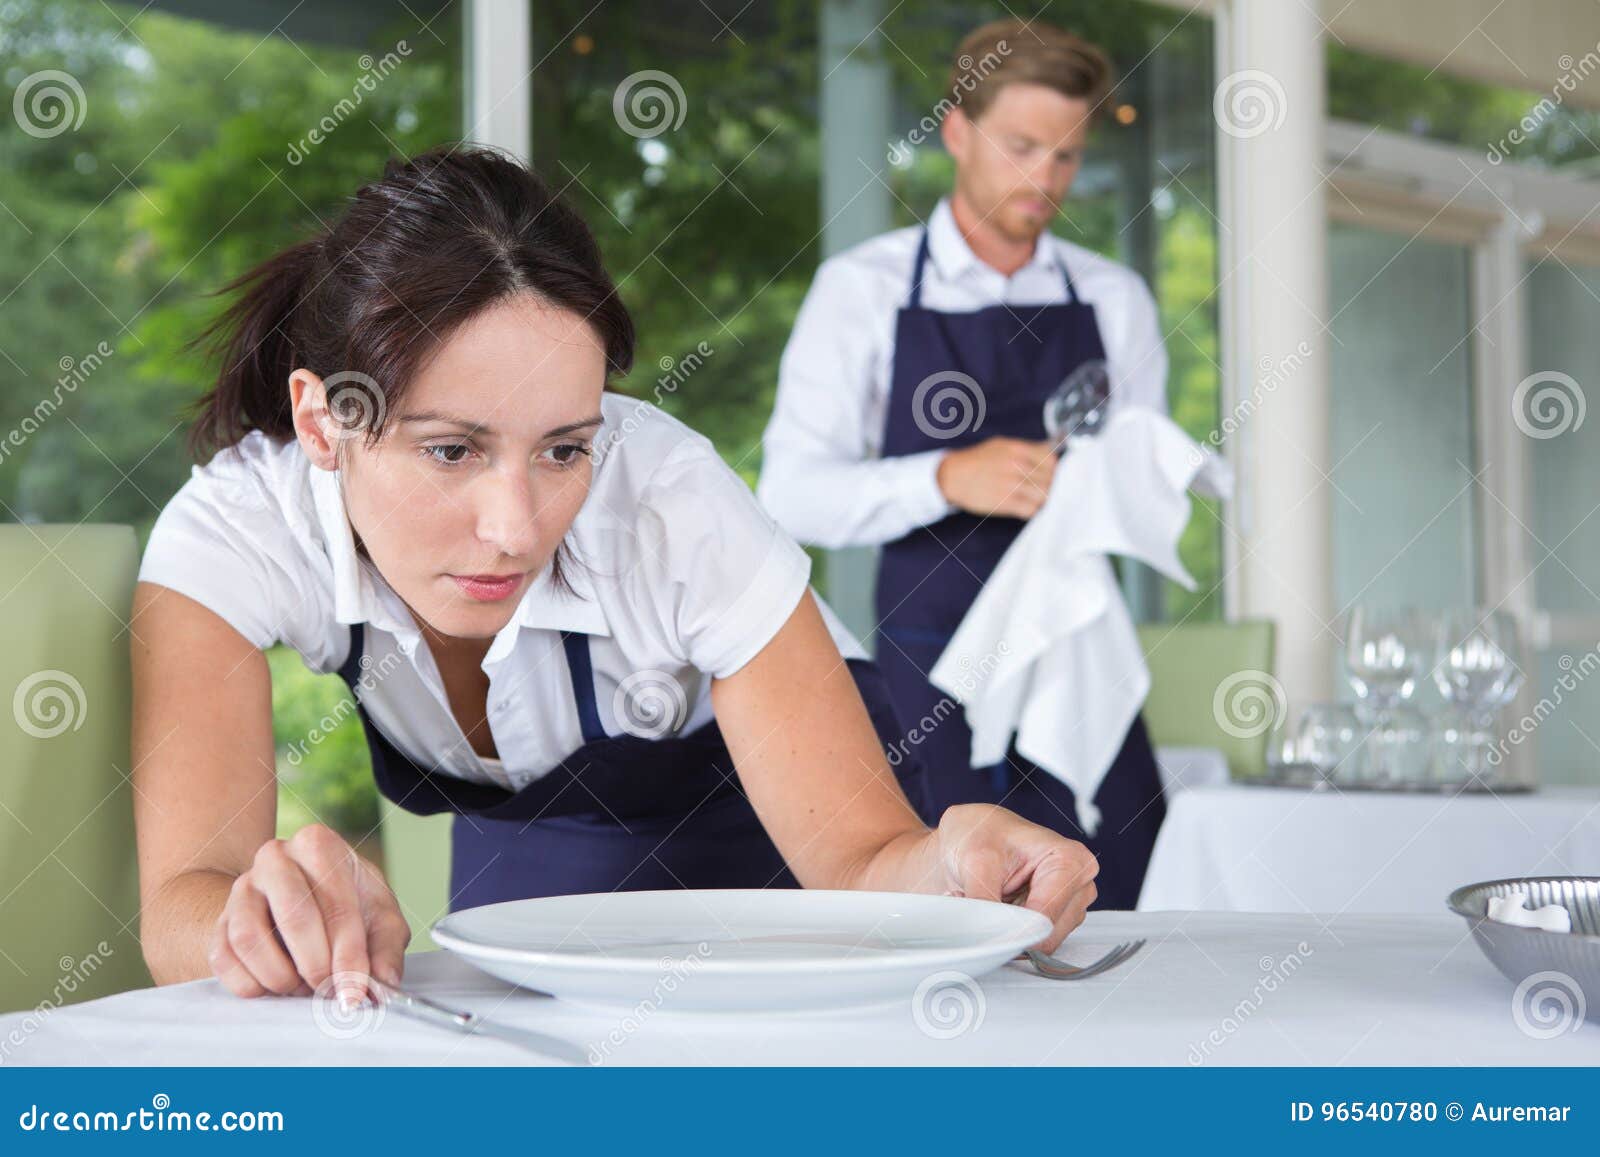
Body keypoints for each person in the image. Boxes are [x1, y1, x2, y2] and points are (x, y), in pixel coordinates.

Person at [131, 145, 1099, 1008]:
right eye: (450, 450)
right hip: (543, 852)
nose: (516, 530)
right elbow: (183, 897)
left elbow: (863, 862)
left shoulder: (671, 506)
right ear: (319, 422)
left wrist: (955, 868)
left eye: (563, 449)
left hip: (782, 856)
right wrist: (263, 916)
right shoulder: (238, 529)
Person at [758, 19, 1169, 908]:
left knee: (1121, 870)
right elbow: (789, 494)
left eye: (1066, 156)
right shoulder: (861, 291)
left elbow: (1142, 483)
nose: (1045, 179)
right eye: (1022, 146)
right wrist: (943, 477)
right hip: (927, 665)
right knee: (945, 898)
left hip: (1074, 653)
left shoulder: (1113, 298)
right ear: (955, 131)